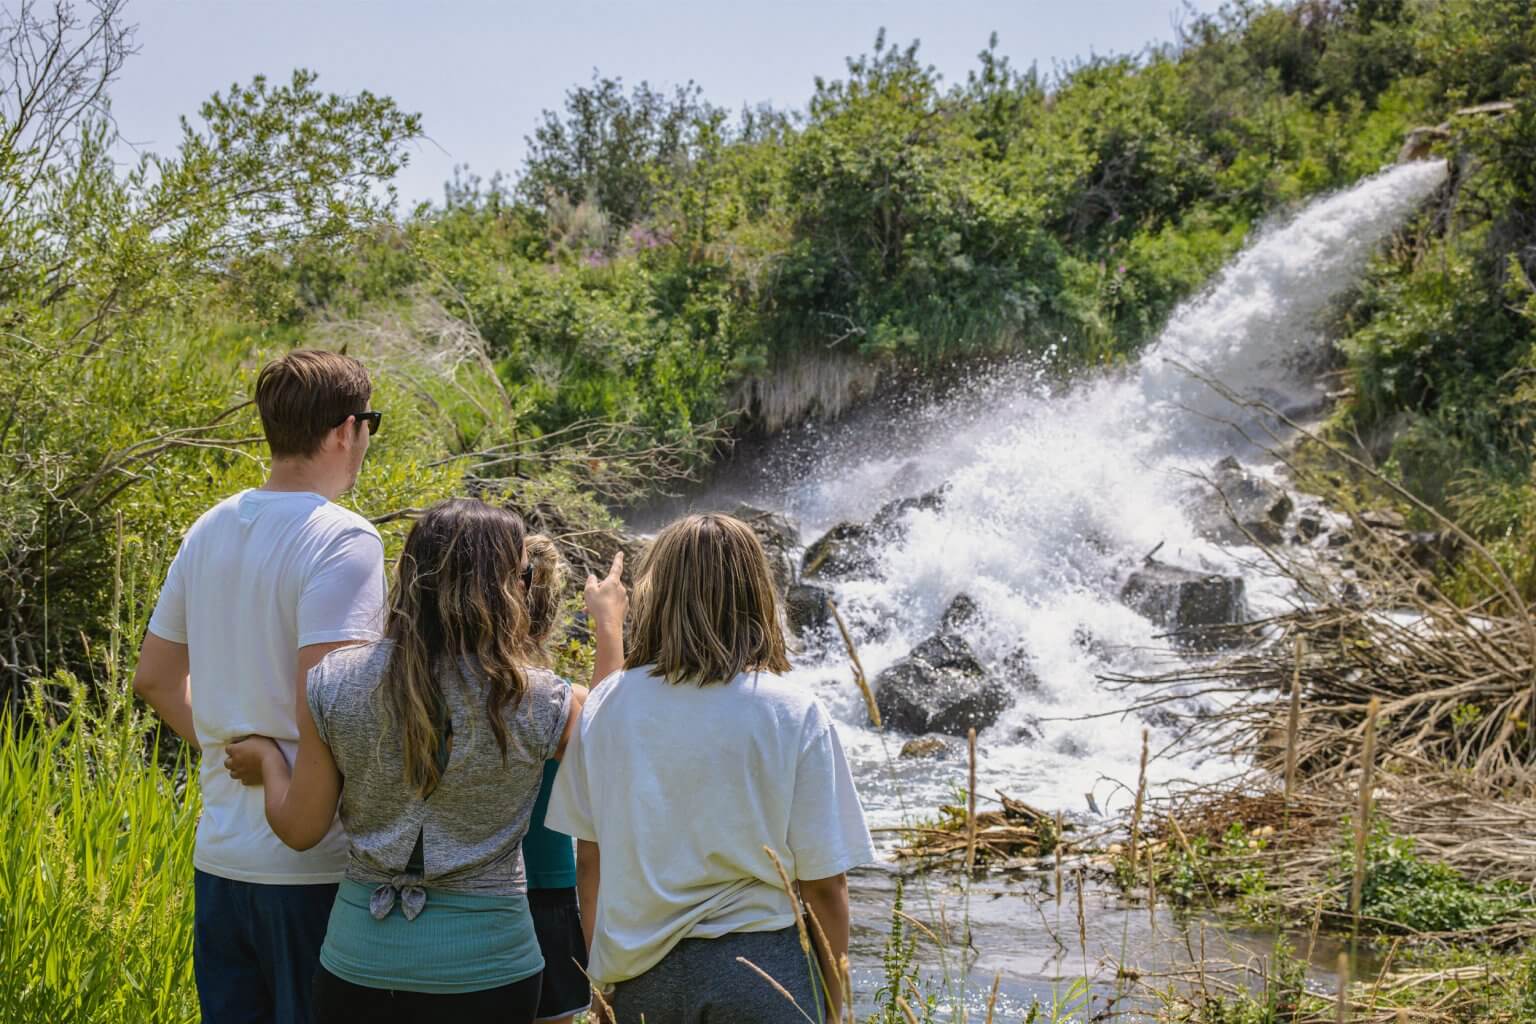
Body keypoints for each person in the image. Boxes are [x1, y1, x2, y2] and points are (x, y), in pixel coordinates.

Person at [224, 499, 627, 1024]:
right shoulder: (539, 700)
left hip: (359, 962)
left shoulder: (335, 681)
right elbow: (614, 751)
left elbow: (301, 828)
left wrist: (269, 763)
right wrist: (610, 630)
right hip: (491, 968)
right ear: (510, 587)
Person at [133, 349, 387, 1024]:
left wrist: (229, 748)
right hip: (314, 868)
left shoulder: (209, 527)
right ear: (344, 430)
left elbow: (155, 679)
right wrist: (275, 763)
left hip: (221, 859)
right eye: (371, 425)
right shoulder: (344, 540)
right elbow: (337, 708)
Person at [547, 513, 876, 1023]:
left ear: (657, 593)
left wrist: (601, 980)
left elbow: (591, 862)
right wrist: (834, 1005)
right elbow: (824, 886)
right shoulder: (793, 711)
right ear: (757, 595)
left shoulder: (609, 703)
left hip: (642, 973)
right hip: (766, 972)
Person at [520, 533, 599, 1024]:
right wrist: (609, 629)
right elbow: (609, 735)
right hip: (549, 887)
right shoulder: (561, 700)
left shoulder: (449, 686)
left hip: (460, 891)